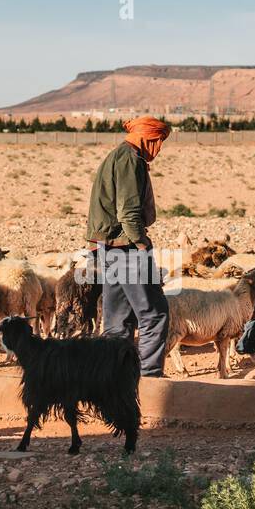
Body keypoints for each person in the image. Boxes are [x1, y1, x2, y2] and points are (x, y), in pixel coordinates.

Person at [85, 116, 172, 376]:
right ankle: (149, 377)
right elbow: (128, 211)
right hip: (126, 246)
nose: (159, 148)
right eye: (159, 141)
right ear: (148, 137)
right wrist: (142, 243)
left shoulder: (119, 156)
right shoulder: (130, 160)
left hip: (109, 248)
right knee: (154, 314)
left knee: (117, 320)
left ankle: (113, 379)